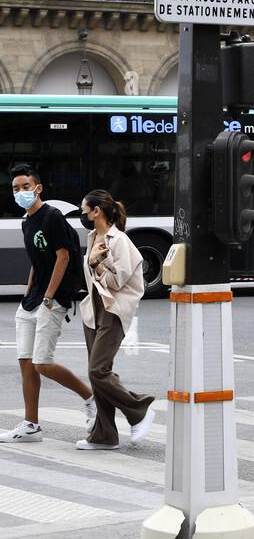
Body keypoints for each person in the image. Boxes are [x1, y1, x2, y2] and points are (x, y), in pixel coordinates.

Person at [0, 163, 95, 444]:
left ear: (38, 188)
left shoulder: (51, 216)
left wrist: (48, 298)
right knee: (26, 364)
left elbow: (63, 257)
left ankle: (91, 399)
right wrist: (29, 295)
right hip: (31, 301)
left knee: (42, 363)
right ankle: (31, 425)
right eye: (15, 188)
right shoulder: (26, 220)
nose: (20, 192)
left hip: (52, 300)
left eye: (25, 187)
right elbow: (36, 261)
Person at [77, 189, 154, 451]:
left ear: (96, 211)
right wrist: (93, 262)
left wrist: (97, 263)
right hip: (93, 309)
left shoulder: (119, 241)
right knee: (99, 375)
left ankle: (139, 409)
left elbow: (116, 282)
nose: (83, 215)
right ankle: (104, 436)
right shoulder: (93, 236)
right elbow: (91, 278)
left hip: (113, 309)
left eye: (84, 210)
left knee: (97, 370)